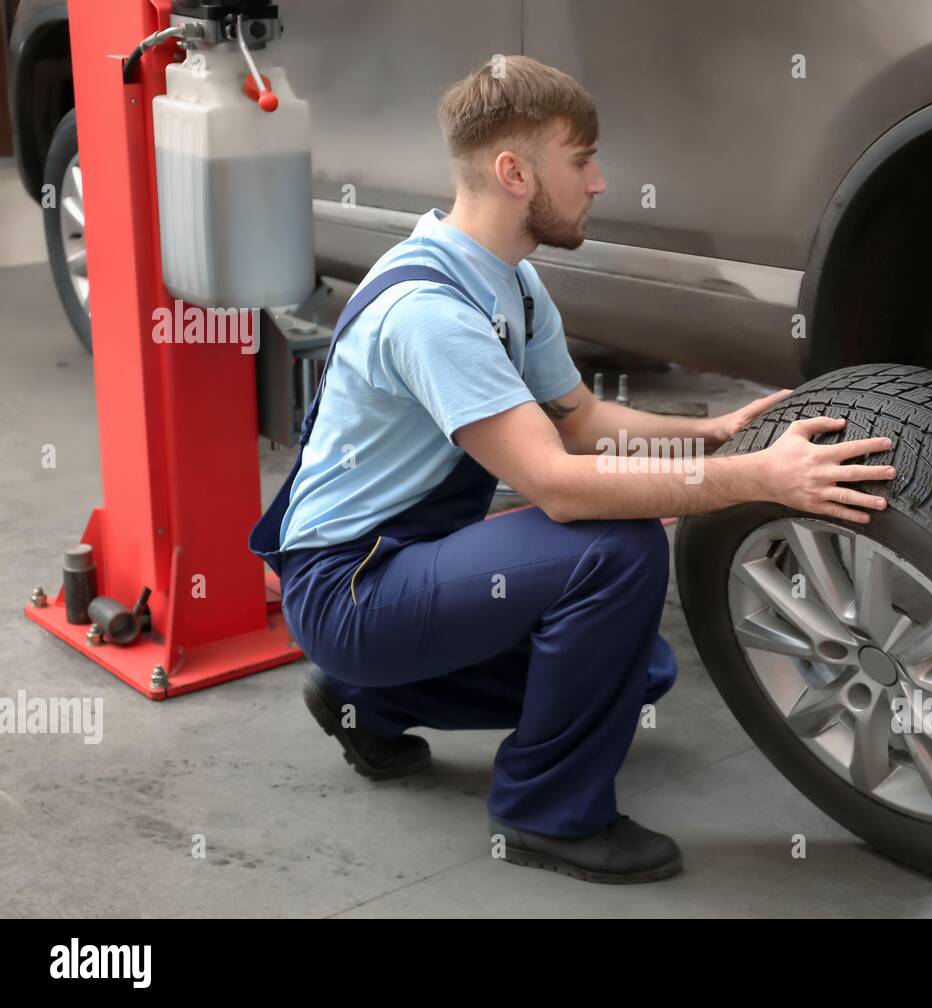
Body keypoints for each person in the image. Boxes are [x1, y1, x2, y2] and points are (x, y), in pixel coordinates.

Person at [249, 55, 895, 885]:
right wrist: (761, 479)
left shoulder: (506, 280)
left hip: (394, 565)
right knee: (615, 549)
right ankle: (545, 815)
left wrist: (717, 435)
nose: (599, 182)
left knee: (640, 675)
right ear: (515, 173)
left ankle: (369, 699)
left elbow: (584, 423)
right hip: (352, 585)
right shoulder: (433, 312)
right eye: (581, 159)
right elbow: (557, 482)